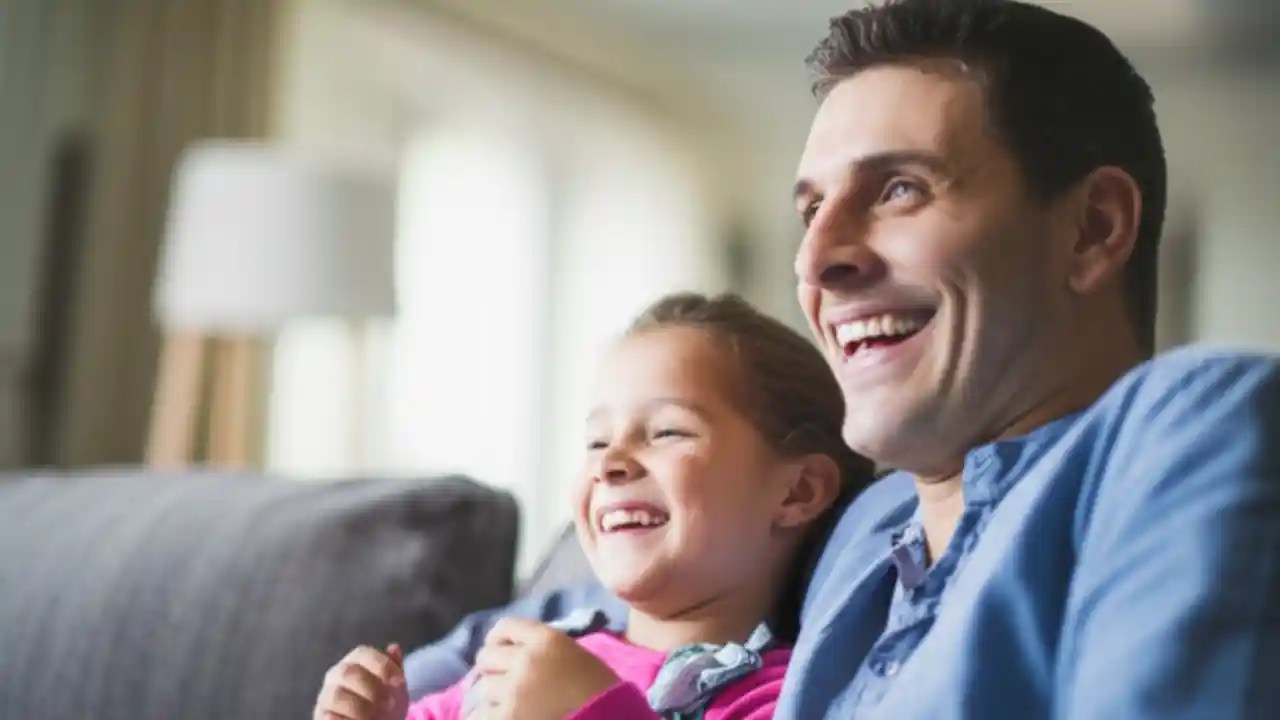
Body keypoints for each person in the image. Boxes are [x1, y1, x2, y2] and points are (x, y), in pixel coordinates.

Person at [342, 0, 1280, 717]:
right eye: (811, 209)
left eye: (901, 188)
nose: (816, 258)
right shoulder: (863, 529)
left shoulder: (1189, 427)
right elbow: (602, 605)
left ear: (1093, 228)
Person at [313, 293, 877, 720]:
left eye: (667, 432)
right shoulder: (529, 656)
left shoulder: (782, 697)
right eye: (597, 441)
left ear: (798, 491)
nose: (611, 463)